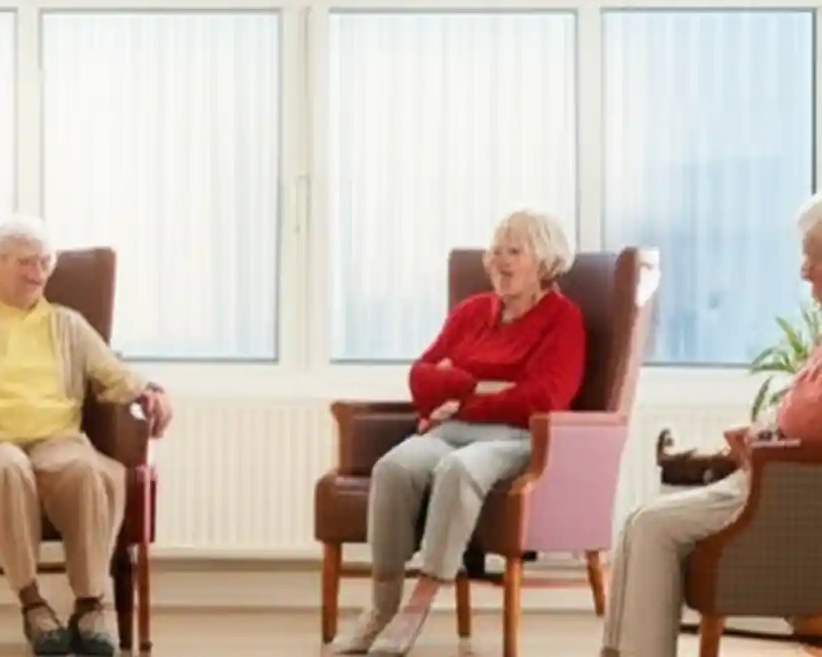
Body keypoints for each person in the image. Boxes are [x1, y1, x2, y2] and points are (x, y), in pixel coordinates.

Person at [0, 215, 174, 657]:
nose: (39, 272)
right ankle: (33, 605)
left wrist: (149, 389)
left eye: (46, 262)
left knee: (87, 470)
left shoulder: (68, 324)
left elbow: (113, 375)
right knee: (8, 468)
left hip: (58, 441)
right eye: (26, 262)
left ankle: (89, 605)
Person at [332, 209, 587, 656]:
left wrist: (462, 392)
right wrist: (482, 388)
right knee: (392, 467)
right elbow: (421, 376)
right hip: (452, 427)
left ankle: (419, 605)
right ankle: (381, 607)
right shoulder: (472, 312)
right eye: (495, 251)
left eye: (514, 251)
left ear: (544, 261)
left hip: (517, 437)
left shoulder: (563, 319)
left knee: (458, 468)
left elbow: (545, 397)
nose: (499, 262)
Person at [600, 194, 822, 657]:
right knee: (643, 524)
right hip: (772, 474)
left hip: (785, 487)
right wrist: (767, 430)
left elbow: (812, 422)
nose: (802, 270)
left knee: (649, 529)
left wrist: (768, 440)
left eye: (811, 256)